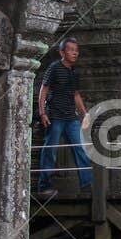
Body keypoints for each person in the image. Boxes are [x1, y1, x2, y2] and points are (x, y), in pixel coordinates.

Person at [36, 38, 91, 199]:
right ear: (62, 52)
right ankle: (44, 186)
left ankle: (87, 186)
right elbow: (43, 90)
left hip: (71, 117)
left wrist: (84, 113)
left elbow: (75, 94)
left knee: (80, 148)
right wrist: (42, 113)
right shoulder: (54, 68)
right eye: (71, 49)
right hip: (55, 116)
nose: (75, 53)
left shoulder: (74, 72)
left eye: (76, 50)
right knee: (50, 150)